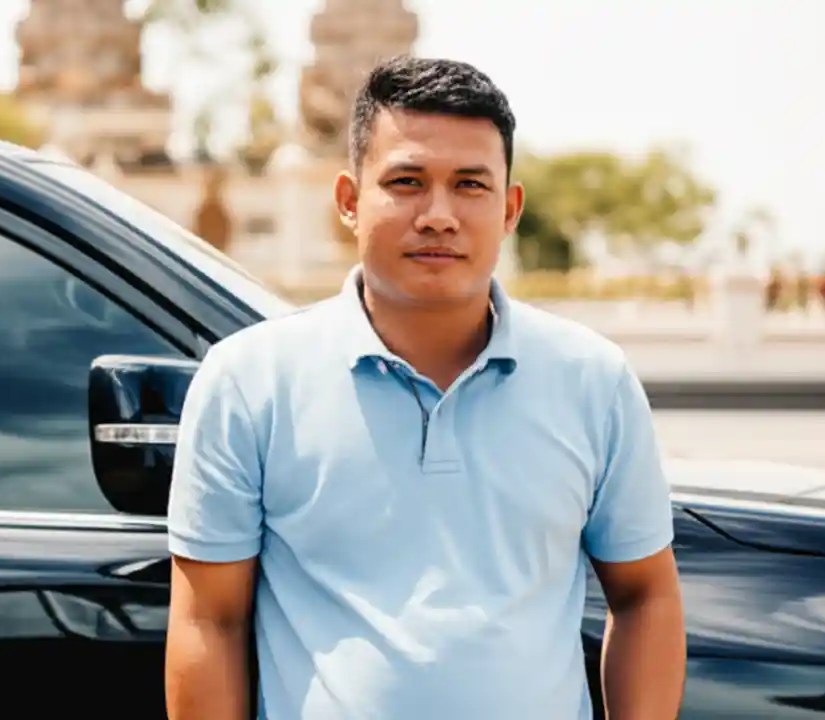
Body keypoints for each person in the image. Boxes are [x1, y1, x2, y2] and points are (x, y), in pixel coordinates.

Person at [165, 55, 686, 720]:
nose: (439, 215)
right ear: (350, 202)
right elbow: (209, 621)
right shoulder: (249, 381)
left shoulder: (592, 380)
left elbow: (646, 596)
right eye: (406, 181)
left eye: (471, 185)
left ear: (510, 207)